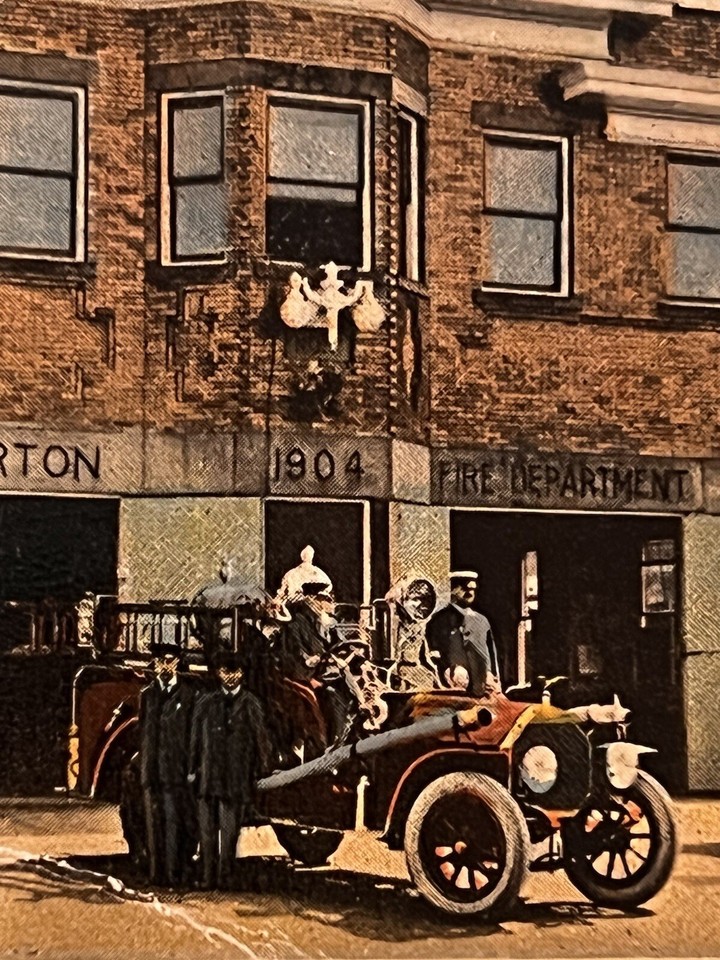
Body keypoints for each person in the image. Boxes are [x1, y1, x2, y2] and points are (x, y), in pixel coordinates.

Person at [189, 650, 272, 890]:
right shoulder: (206, 702)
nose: (230, 677)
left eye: (235, 672)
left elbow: (260, 739)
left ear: (242, 674)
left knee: (229, 833)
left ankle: (224, 878)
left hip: (235, 778)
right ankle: (206, 877)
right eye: (226, 671)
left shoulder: (251, 703)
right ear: (218, 673)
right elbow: (195, 739)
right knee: (206, 832)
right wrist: (192, 769)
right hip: (208, 775)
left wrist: (263, 769)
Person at [138, 638, 197, 886]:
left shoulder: (188, 695)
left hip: (176, 771)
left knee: (175, 823)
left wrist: (191, 769)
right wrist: (145, 768)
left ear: (178, 663)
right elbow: (144, 734)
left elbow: (192, 736)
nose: (164, 666)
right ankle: (156, 875)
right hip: (153, 771)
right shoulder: (147, 695)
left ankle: (174, 875)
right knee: (154, 825)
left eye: (170, 661)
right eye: (160, 661)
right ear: (154, 663)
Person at [425, 571, 501, 697]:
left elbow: (491, 652)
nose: (470, 593)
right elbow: (431, 653)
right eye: (465, 588)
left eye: (472, 589)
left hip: (482, 685)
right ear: (453, 589)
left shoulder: (481, 620)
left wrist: (491, 674)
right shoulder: (439, 619)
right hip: (453, 684)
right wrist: (447, 670)